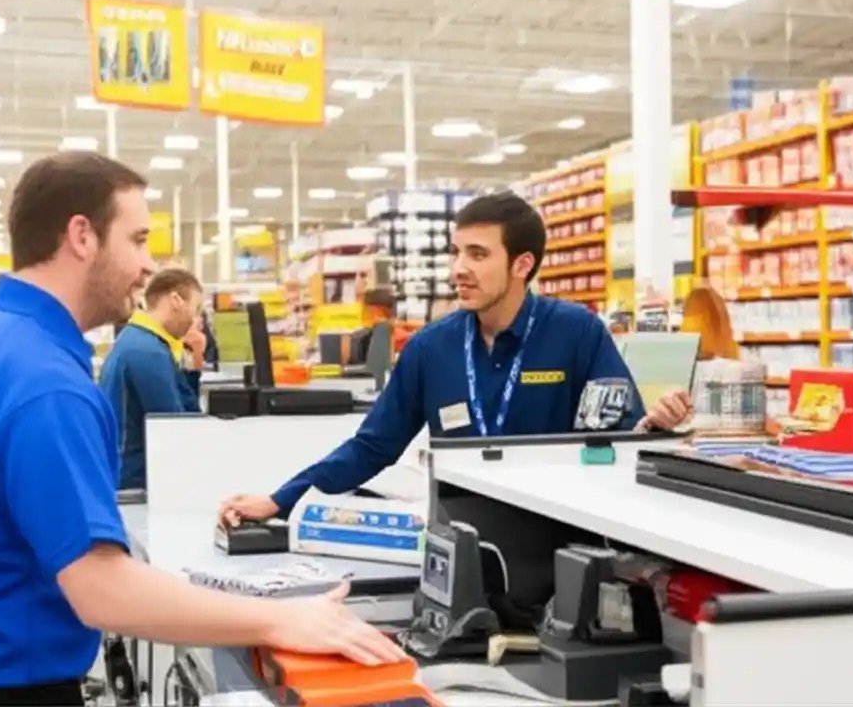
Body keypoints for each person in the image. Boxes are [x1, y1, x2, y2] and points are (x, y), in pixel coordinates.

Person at [0, 152, 402, 707]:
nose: (148, 263)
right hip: (5, 692)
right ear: (82, 236)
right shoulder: (46, 383)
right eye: (137, 239)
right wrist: (280, 620)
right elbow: (101, 592)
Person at [219, 192, 693, 526]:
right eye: (456, 252)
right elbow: (372, 447)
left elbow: (617, 435)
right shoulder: (431, 348)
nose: (459, 268)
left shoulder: (577, 333)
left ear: (522, 265)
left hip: (561, 536)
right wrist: (281, 500)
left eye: (478, 254)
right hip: (460, 537)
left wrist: (655, 426)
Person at [98, 267, 208, 491]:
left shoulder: (142, 341)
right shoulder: (148, 352)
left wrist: (192, 360)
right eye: (195, 309)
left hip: (126, 474)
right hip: (135, 481)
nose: (195, 321)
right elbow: (176, 427)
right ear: (177, 300)